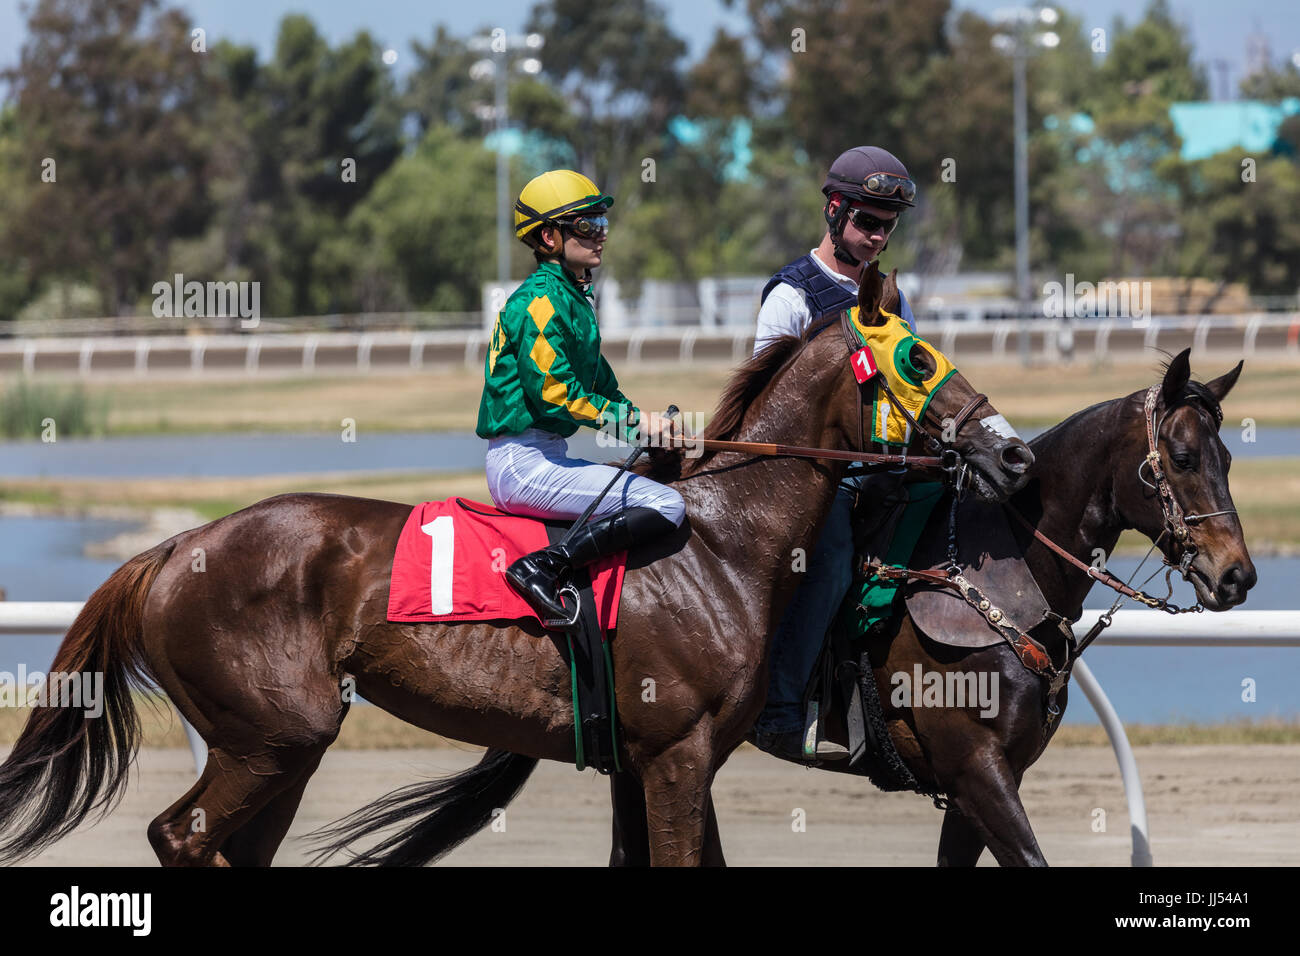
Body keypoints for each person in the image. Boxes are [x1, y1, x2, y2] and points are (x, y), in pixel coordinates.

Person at [750, 146, 918, 762]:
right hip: (811, 479)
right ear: (834, 210)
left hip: (886, 470)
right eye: (866, 222)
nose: (877, 237)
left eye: (888, 227)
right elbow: (768, 409)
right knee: (834, 558)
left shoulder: (892, 298)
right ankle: (782, 710)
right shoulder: (790, 296)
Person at [477, 169, 685, 626]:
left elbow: (600, 386)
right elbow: (559, 397)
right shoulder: (540, 303)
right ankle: (544, 566)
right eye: (587, 226)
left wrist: (646, 425)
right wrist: (635, 425)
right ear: (549, 237)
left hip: (547, 455)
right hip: (522, 464)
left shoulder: (572, 298)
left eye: (602, 224)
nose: (600, 236)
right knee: (667, 505)